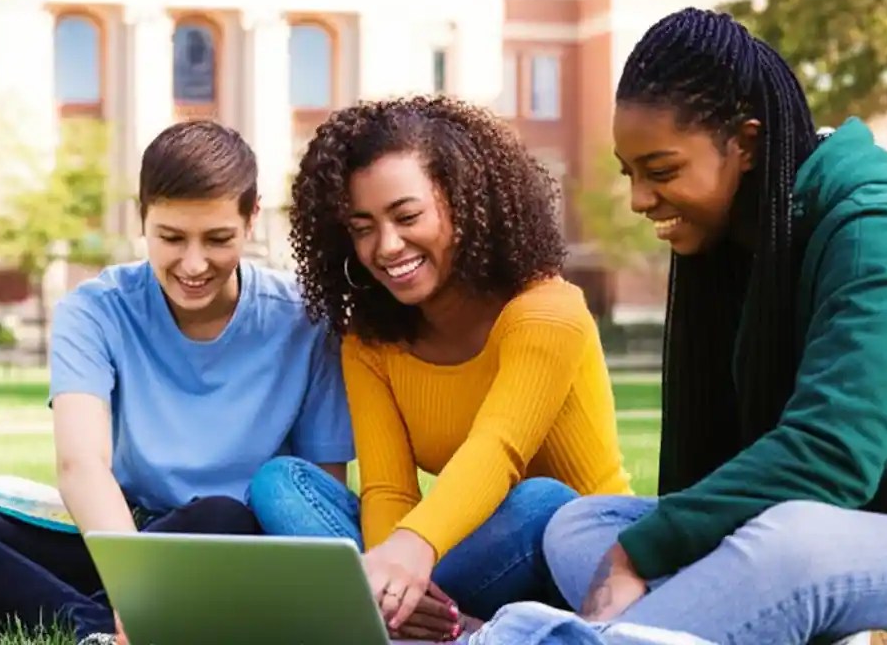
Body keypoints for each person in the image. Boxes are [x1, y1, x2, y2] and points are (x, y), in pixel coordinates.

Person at [542, 7, 887, 644]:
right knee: (579, 527)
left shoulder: (876, 230)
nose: (640, 199)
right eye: (631, 174)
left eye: (662, 171)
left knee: (791, 547)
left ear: (747, 143)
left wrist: (639, 556)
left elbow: (832, 456)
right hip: (830, 530)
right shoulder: (743, 236)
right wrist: (634, 546)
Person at [0, 120, 356, 644]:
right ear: (143, 219)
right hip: (121, 533)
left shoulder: (305, 321)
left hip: (235, 541)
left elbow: (320, 490)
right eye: (171, 238)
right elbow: (81, 464)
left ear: (251, 219)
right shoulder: (95, 310)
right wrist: (134, 588)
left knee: (223, 515)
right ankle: (97, 622)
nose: (194, 264)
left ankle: (58, 606)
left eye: (218, 239)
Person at [247, 95, 633, 641]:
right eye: (362, 228)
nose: (386, 246)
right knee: (281, 482)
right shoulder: (371, 341)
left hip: (568, 553)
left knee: (542, 501)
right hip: (453, 563)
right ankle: (419, 625)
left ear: (466, 203)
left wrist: (412, 551)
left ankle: (388, 620)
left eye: (407, 217)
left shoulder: (549, 311)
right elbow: (386, 490)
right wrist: (392, 576)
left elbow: (496, 452)